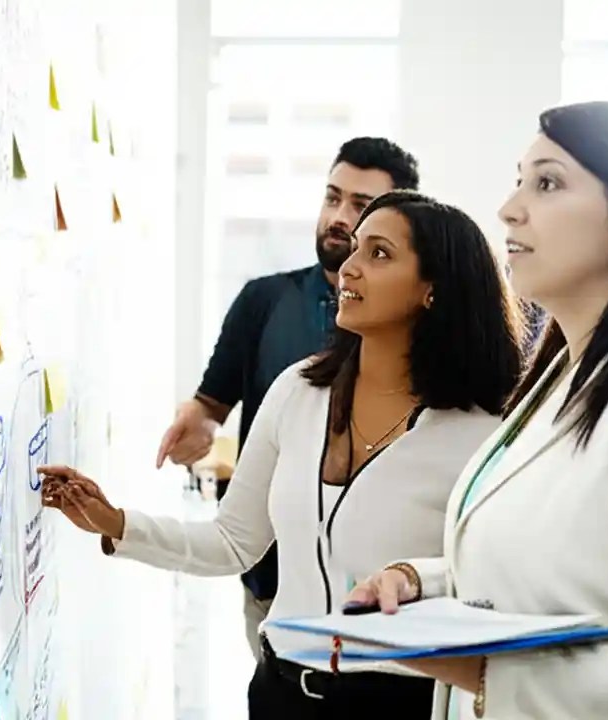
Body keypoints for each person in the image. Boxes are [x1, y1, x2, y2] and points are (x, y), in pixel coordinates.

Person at [348, 102, 608, 719]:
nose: (510, 208)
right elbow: (565, 576)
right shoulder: (559, 378)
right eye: (520, 181)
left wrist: (481, 670)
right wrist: (421, 583)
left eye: (547, 183)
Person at [41, 191, 524, 718]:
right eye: (355, 249)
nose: (350, 267)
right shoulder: (298, 390)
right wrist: (114, 523)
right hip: (280, 692)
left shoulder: (485, 431)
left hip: (402, 701)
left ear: (433, 290)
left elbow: (496, 584)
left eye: (379, 254)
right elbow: (232, 542)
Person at [155, 137, 420, 661]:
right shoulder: (263, 300)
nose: (339, 217)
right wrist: (196, 424)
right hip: (274, 583)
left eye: (361, 207)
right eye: (332, 197)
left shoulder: (419, 325)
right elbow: (213, 405)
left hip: (386, 599)